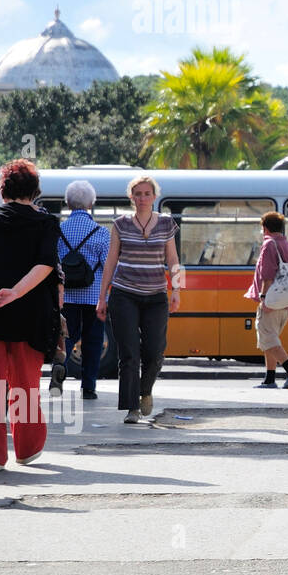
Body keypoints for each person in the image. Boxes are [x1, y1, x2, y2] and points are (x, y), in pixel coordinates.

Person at [0, 159, 60, 469]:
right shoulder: (46, 223)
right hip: (31, 316)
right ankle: (27, 449)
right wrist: (16, 292)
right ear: (35, 191)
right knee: (25, 387)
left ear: (3, 190)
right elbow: (46, 265)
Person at [95, 175, 180, 425]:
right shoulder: (120, 224)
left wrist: (177, 290)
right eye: (137, 194)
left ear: (154, 197)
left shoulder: (166, 223)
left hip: (155, 296)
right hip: (124, 294)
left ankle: (145, 390)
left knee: (155, 352)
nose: (142, 198)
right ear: (131, 197)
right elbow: (111, 261)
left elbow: (173, 260)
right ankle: (131, 407)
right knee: (129, 353)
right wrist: (103, 296)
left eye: (147, 193)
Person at [58, 180, 111, 400]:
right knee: (93, 340)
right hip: (94, 297)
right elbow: (108, 265)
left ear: (68, 203)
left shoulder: (58, 230)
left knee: (66, 337)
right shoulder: (101, 232)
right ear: (91, 203)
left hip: (65, 296)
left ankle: (58, 376)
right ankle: (88, 387)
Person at [244, 212, 288, 390]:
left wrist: (264, 299)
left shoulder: (269, 244)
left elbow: (267, 275)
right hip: (285, 302)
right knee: (271, 340)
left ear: (265, 228)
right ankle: (269, 379)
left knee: (268, 338)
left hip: (272, 300)